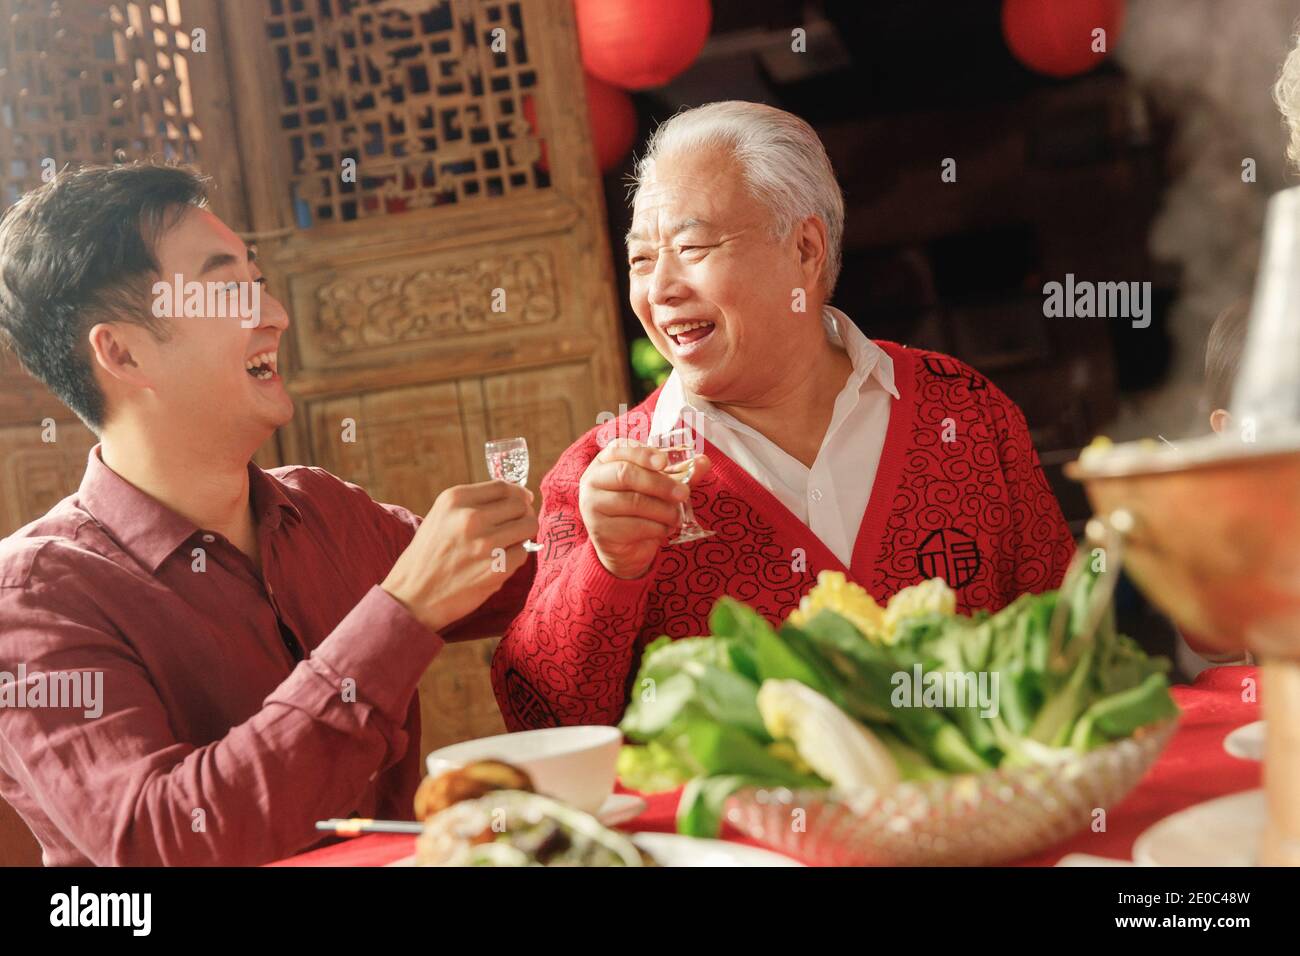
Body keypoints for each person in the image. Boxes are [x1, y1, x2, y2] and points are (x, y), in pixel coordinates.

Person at [0, 163, 537, 865]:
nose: (275, 314)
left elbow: (529, 580)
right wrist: (400, 615)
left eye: (257, 282)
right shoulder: (33, 600)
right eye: (229, 290)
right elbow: (160, 838)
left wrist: (605, 518)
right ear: (123, 352)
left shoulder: (319, 509)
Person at [491, 101, 1075, 730]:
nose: (659, 289)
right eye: (641, 260)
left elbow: (1069, 645)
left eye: (691, 247)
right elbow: (541, 720)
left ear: (805, 249)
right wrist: (608, 568)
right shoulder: (599, 478)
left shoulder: (962, 410)